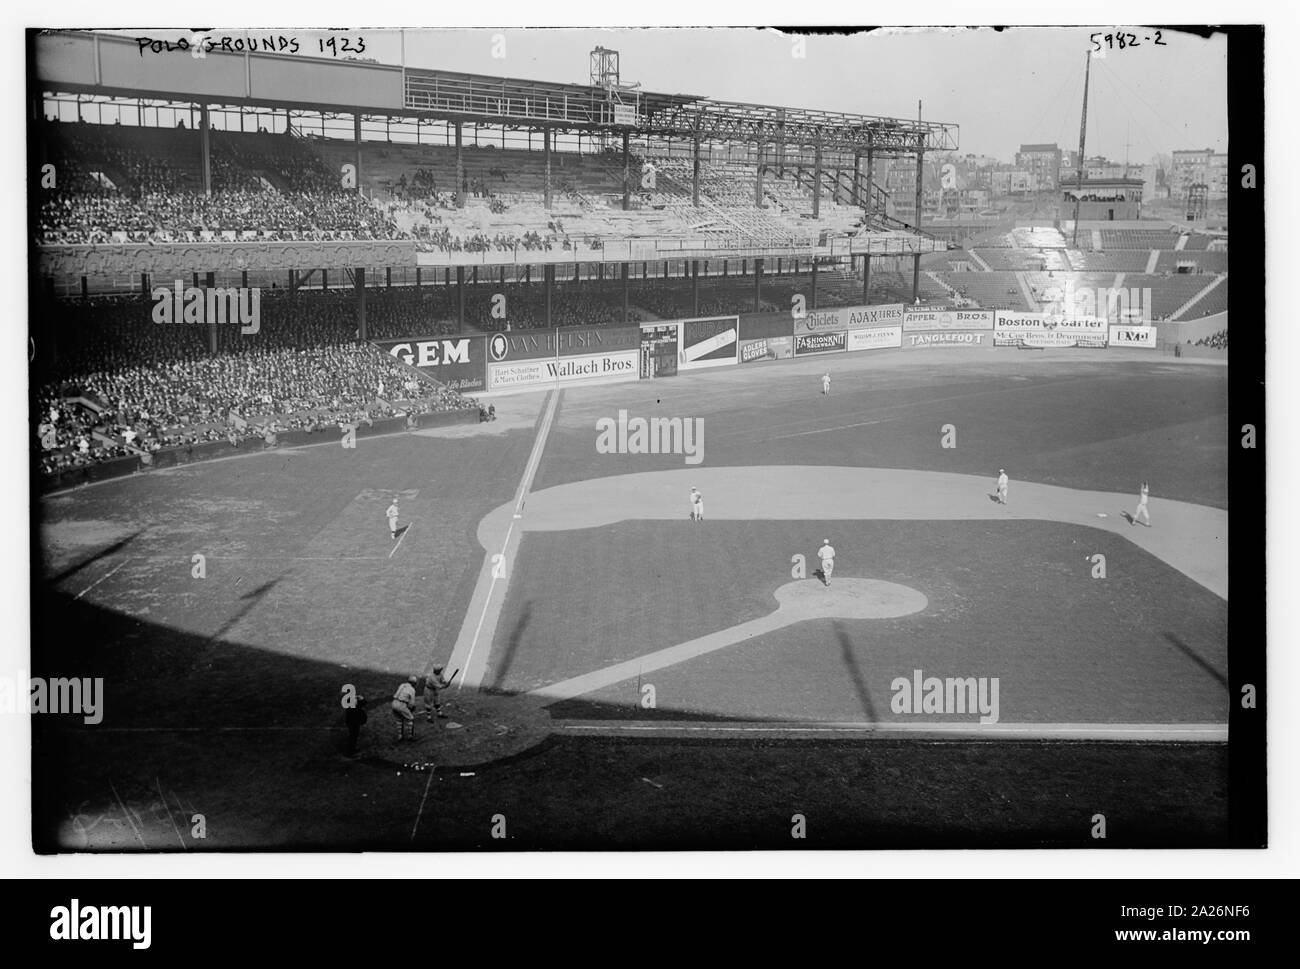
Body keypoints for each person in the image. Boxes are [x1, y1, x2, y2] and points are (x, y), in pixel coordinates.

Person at [391, 676, 418, 741]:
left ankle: (400, 736)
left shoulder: (402, 685)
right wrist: (411, 709)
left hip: (394, 703)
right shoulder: (412, 689)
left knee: (399, 719)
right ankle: (410, 737)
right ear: (414, 683)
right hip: (401, 704)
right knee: (410, 719)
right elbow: (412, 703)